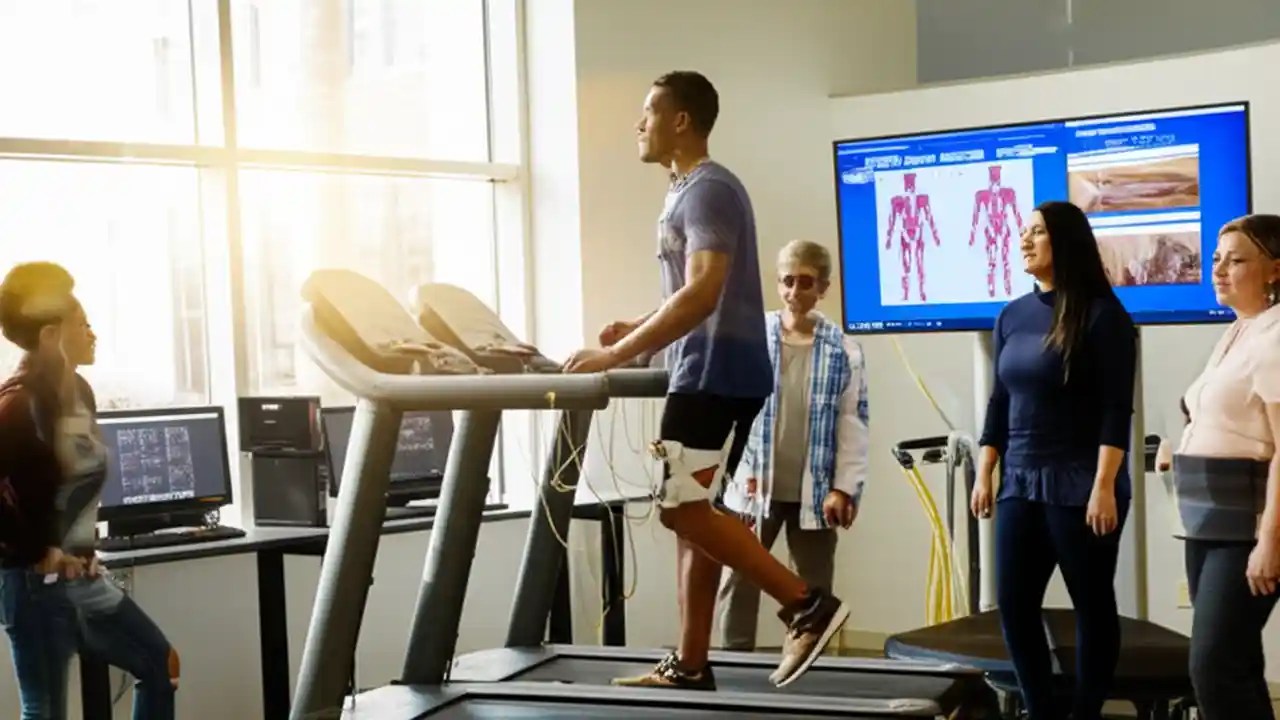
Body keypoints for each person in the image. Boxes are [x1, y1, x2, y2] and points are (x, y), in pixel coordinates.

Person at [562, 71, 849, 690]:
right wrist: (638, 326)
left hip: (713, 375)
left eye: (648, 112)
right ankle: (691, 663)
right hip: (709, 371)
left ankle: (805, 603)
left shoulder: (709, 190)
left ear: (681, 120)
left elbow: (704, 292)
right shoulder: (686, 190)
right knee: (695, 513)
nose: (638, 124)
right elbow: (702, 292)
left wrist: (614, 358)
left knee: (682, 513)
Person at [969, 200, 1137, 720]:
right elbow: (1000, 401)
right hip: (1019, 478)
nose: (1024, 241)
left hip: (1082, 480)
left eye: (1036, 232)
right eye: (1022, 232)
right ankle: (1041, 710)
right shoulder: (1011, 315)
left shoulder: (1104, 315)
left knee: (1092, 603)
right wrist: (984, 471)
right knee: (1014, 603)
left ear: (1064, 242)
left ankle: (1087, 712)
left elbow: (1116, 407)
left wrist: (1105, 484)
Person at [0, 262, 179, 719]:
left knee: (161, 665)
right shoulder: (16, 405)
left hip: (82, 576)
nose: (93, 334)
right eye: (80, 326)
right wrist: (40, 547)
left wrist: (82, 546)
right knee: (45, 711)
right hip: (34, 581)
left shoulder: (77, 391)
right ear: (48, 337)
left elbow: (70, 489)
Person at [718, 239, 868, 652]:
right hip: (753, 486)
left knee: (814, 584)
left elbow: (853, 423)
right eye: (788, 281)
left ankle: (806, 662)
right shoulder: (753, 336)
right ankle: (734, 659)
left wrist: (844, 487)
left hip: (815, 492)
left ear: (824, 287)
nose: (795, 292)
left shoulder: (843, 349)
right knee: (740, 576)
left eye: (806, 282)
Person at [1169, 214, 1280, 719]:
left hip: (1248, 527)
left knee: (1211, 667)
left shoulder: (1275, 338)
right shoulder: (1239, 330)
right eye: (1217, 259)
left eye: (1236, 261)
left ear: (1274, 270)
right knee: (1235, 664)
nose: (1219, 270)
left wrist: (1270, 543)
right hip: (1206, 521)